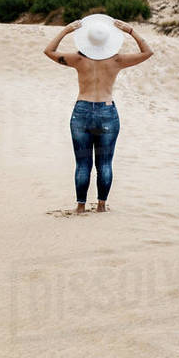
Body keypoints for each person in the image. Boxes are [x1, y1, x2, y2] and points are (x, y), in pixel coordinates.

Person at [42, 13, 154, 213]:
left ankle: (80, 206)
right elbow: (147, 52)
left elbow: (49, 51)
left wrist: (66, 30)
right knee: (104, 163)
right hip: (106, 113)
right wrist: (131, 31)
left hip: (82, 112)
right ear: (109, 41)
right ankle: (101, 206)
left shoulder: (78, 59)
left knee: (83, 164)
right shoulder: (117, 60)